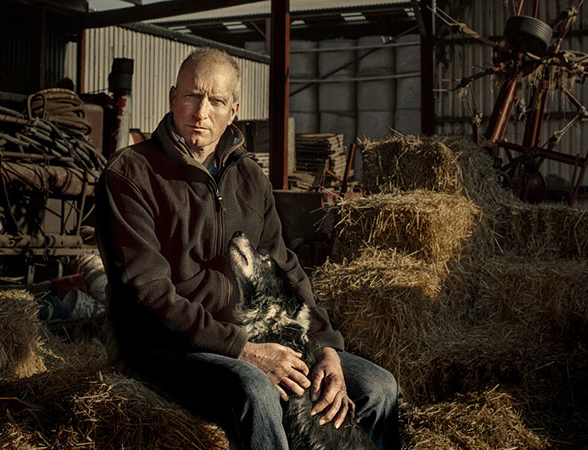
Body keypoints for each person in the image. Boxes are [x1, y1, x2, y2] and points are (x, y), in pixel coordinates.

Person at [95, 48, 399, 450]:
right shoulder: (129, 174)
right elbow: (147, 293)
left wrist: (326, 346)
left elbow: (284, 266)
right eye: (191, 96)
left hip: (248, 333)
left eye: (216, 101)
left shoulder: (250, 176)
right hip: (161, 346)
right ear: (172, 97)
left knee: (378, 387)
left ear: (233, 111)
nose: (201, 112)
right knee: (255, 389)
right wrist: (242, 349)